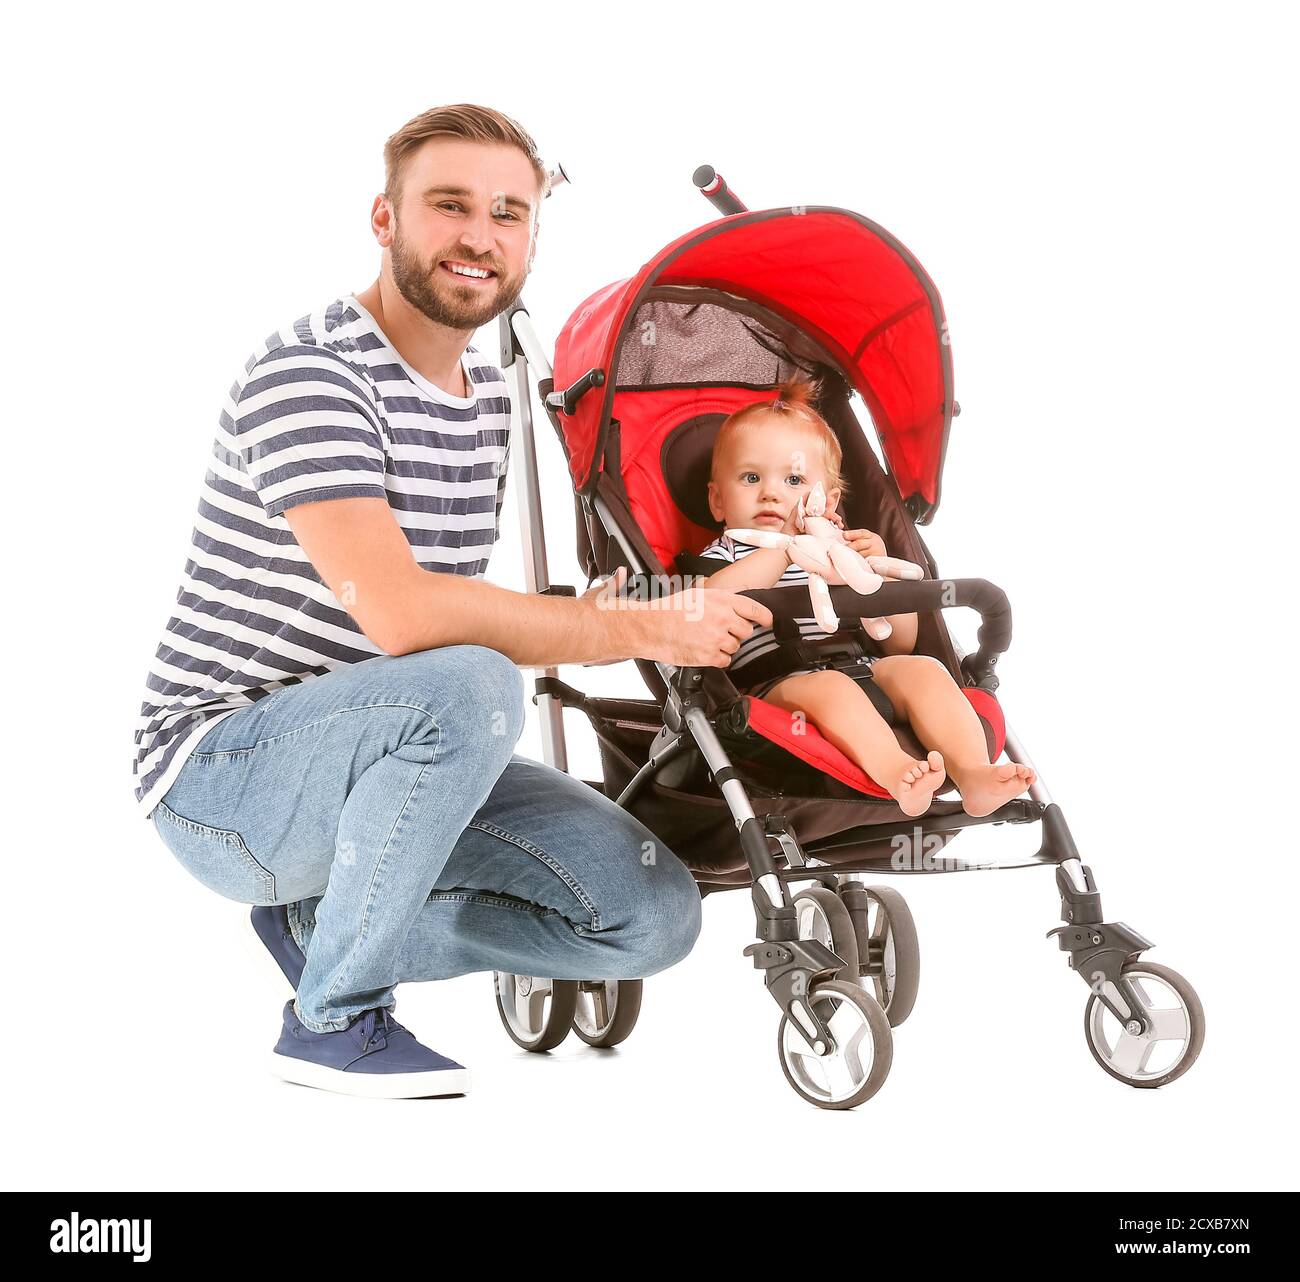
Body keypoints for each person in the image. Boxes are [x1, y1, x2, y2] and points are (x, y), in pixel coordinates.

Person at [132, 103, 772, 1099]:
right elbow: (405, 618)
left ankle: (321, 925)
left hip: (382, 743)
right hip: (226, 780)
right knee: (469, 682)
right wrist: (623, 630)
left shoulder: (478, 399)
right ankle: (333, 1015)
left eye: (509, 213)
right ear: (384, 221)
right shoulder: (313, 374)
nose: (481, 235)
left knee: (652, 916)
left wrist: (619, 605)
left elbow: (450, 605)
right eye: (450, 205)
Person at [696, 375, 1035, 819]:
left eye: (794, 479)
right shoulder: (723, 555)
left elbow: (898, 642)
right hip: (776, 686)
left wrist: (877, 577)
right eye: (751, 477)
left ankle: (973, 775)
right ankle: (898, 773)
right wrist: (785, 552)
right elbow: (708, 604)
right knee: (832, 687)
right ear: (718, 501)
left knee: (925, 669)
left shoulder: (842, 551)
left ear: (828, 500)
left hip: (867, 668)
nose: (772, 492)